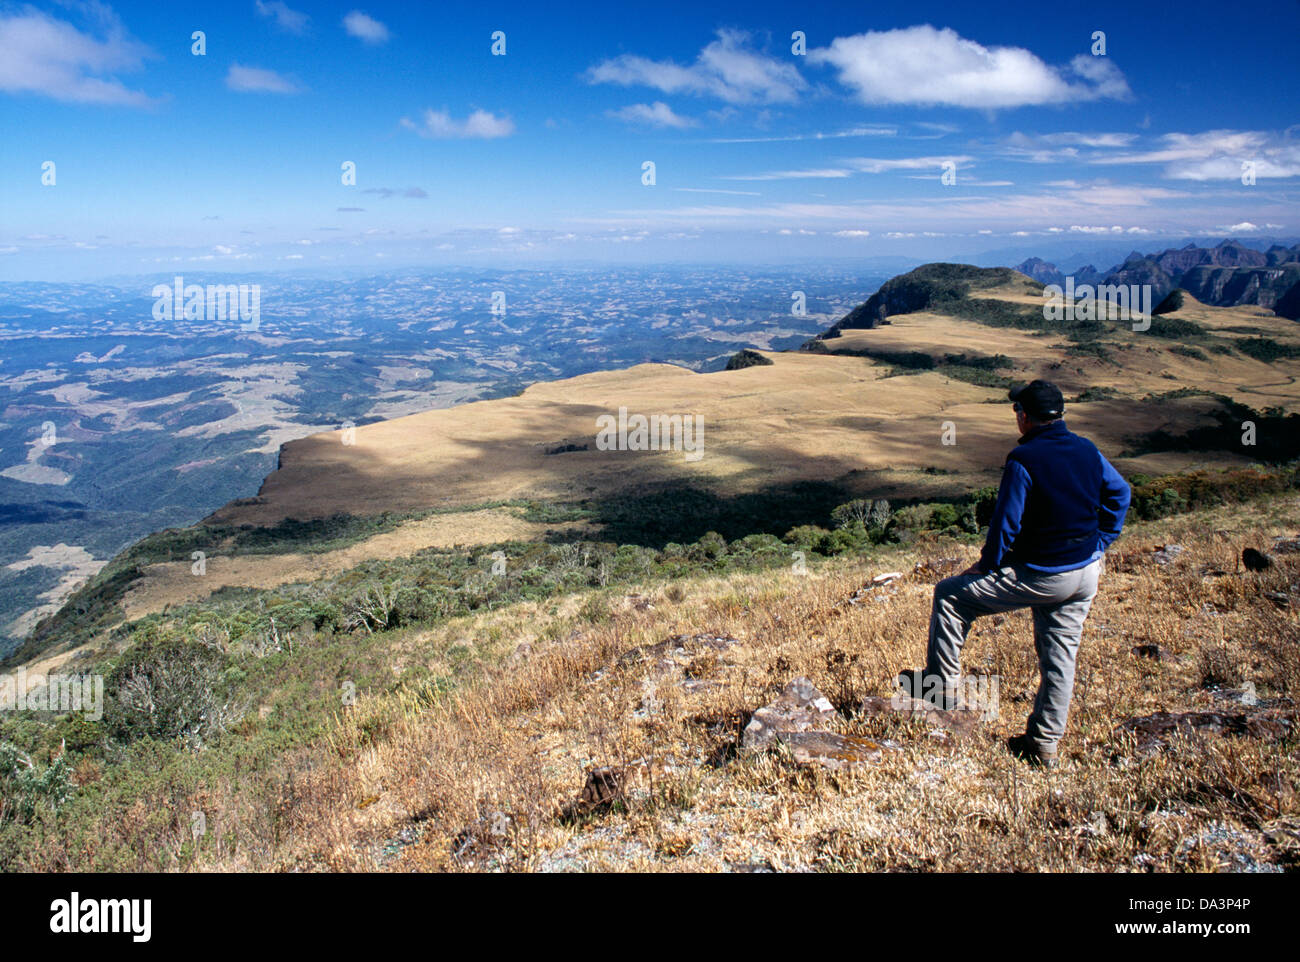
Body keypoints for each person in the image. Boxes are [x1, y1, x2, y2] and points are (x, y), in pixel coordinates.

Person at [898, 380, 1131, 768]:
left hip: (1042, 573)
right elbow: (1120, 493)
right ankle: (1043, 745)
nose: (1016, 417)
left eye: (1016, 411)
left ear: (1025, 415)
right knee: (1061, 658)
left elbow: (1005, 524)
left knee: (950, 596)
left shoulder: (1024, 459)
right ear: (1061, 415)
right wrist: (1101, 542)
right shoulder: (1087, 449)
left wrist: (987, 566)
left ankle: (940, 690)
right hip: (1086, 572)